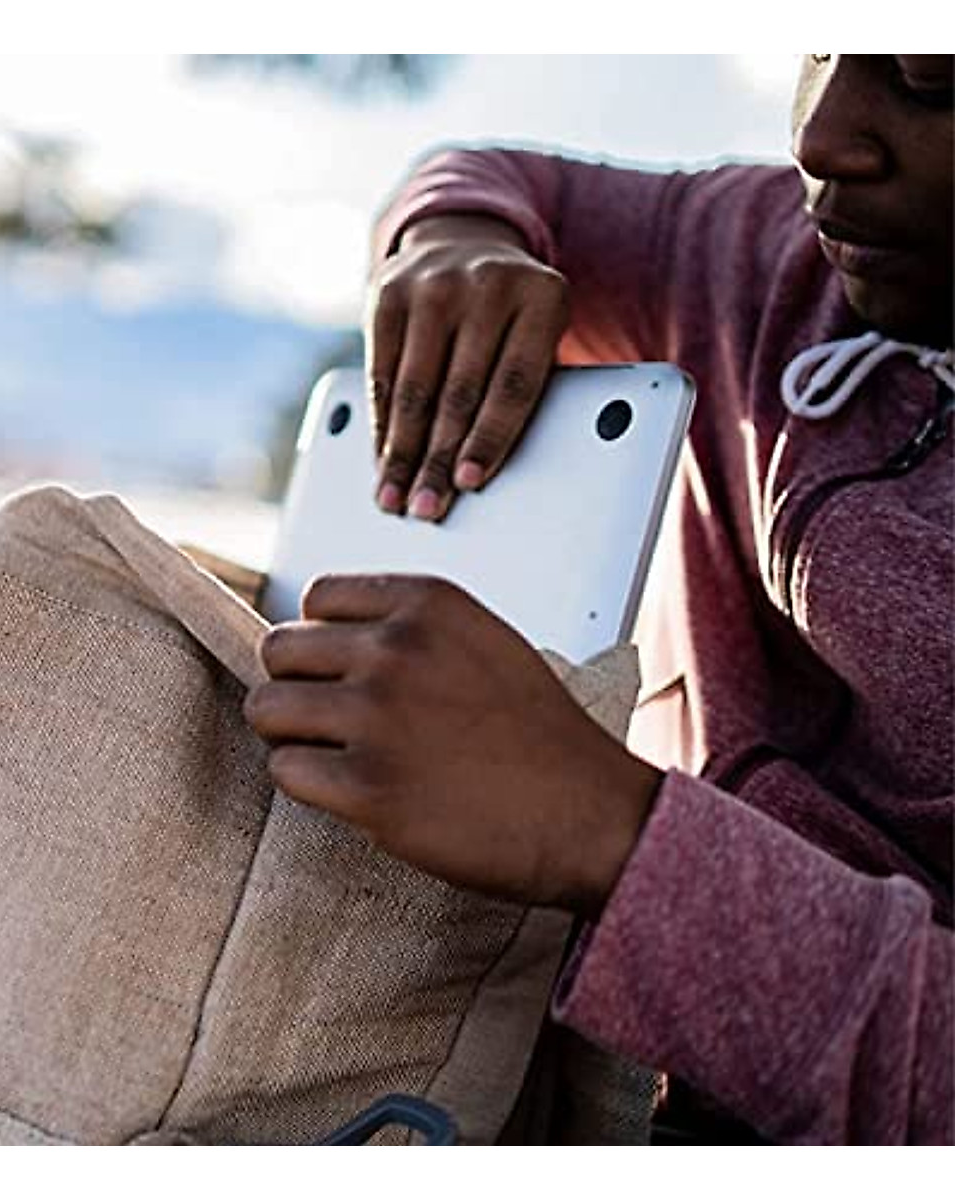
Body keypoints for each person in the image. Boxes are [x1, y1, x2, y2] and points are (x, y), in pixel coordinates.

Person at [241, 54, 954, 1143]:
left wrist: (613, 835)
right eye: (819, 46)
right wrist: (454, 239)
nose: (822, 139)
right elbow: (500, 180)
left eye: (925, 79)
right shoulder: (764, 254)